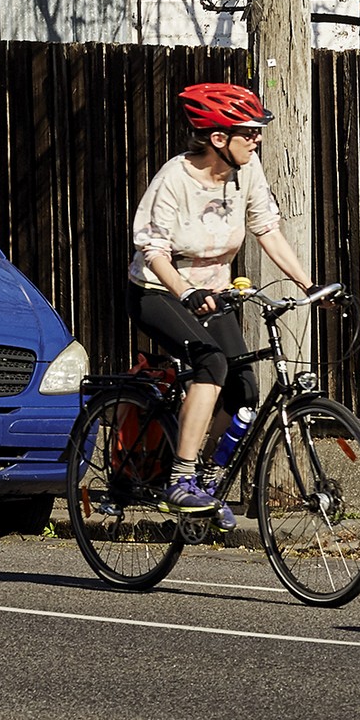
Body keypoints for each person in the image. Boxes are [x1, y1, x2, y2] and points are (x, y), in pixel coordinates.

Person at [130, 82, 319, 516]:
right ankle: (180, 480)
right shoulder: (174, 179)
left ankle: (207, 477)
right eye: (248, 133)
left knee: (244, 392)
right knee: (211, 363)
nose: (257, 140)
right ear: (218, 138)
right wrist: (186, 291)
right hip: (158, 291)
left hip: (213, 295)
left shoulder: (246, 172)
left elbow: (267, 228)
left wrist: (308, 285)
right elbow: (154, 251)